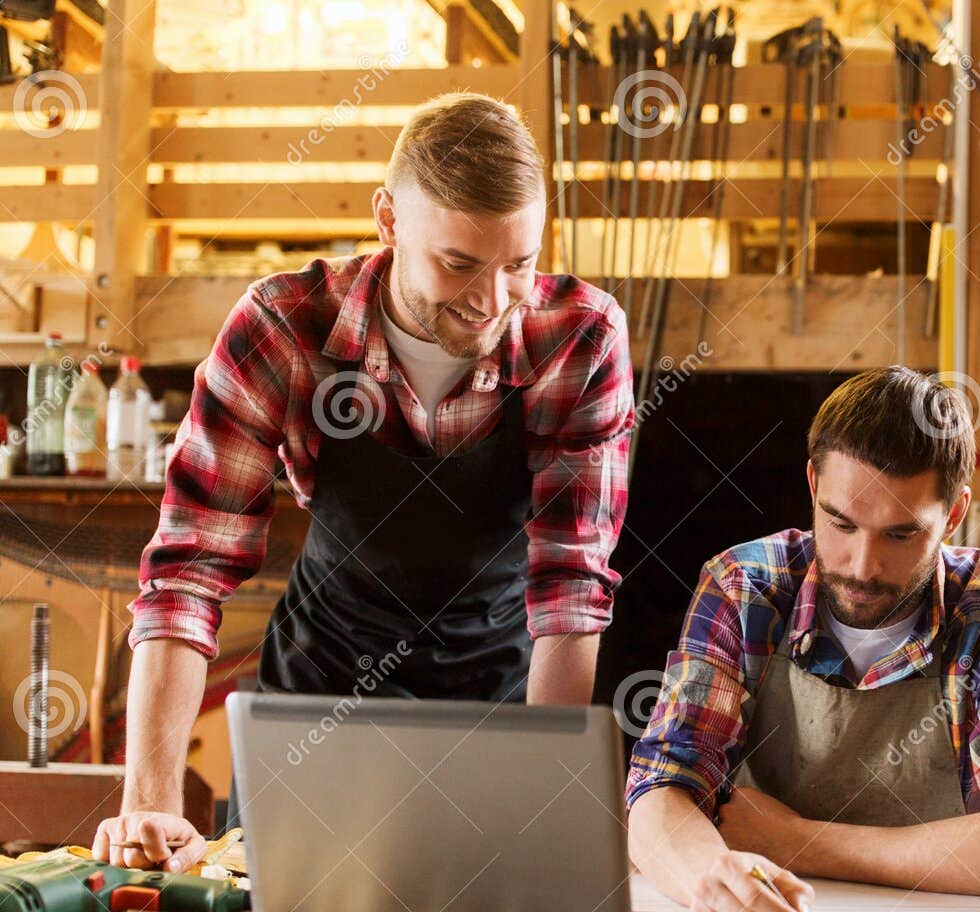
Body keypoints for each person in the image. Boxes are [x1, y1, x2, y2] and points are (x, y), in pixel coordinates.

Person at [94, 93, 632, 872]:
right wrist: (149, 797)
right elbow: (189, 569)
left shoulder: (579, 337)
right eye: (458, 264)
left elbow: (571, 585)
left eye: (518, 264)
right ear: (388, 219)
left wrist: (537, 794)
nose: (490, 302)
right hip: (319, 693)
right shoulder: (283, 327)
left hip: (500, 692)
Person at [626, 366, 980, 912]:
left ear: (954, 513)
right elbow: (660, 789)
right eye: (841, 523)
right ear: (812, 484)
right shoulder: (744, 588)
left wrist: (802, 841)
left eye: (900, 535)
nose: (860, 566)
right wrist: (710, 883)